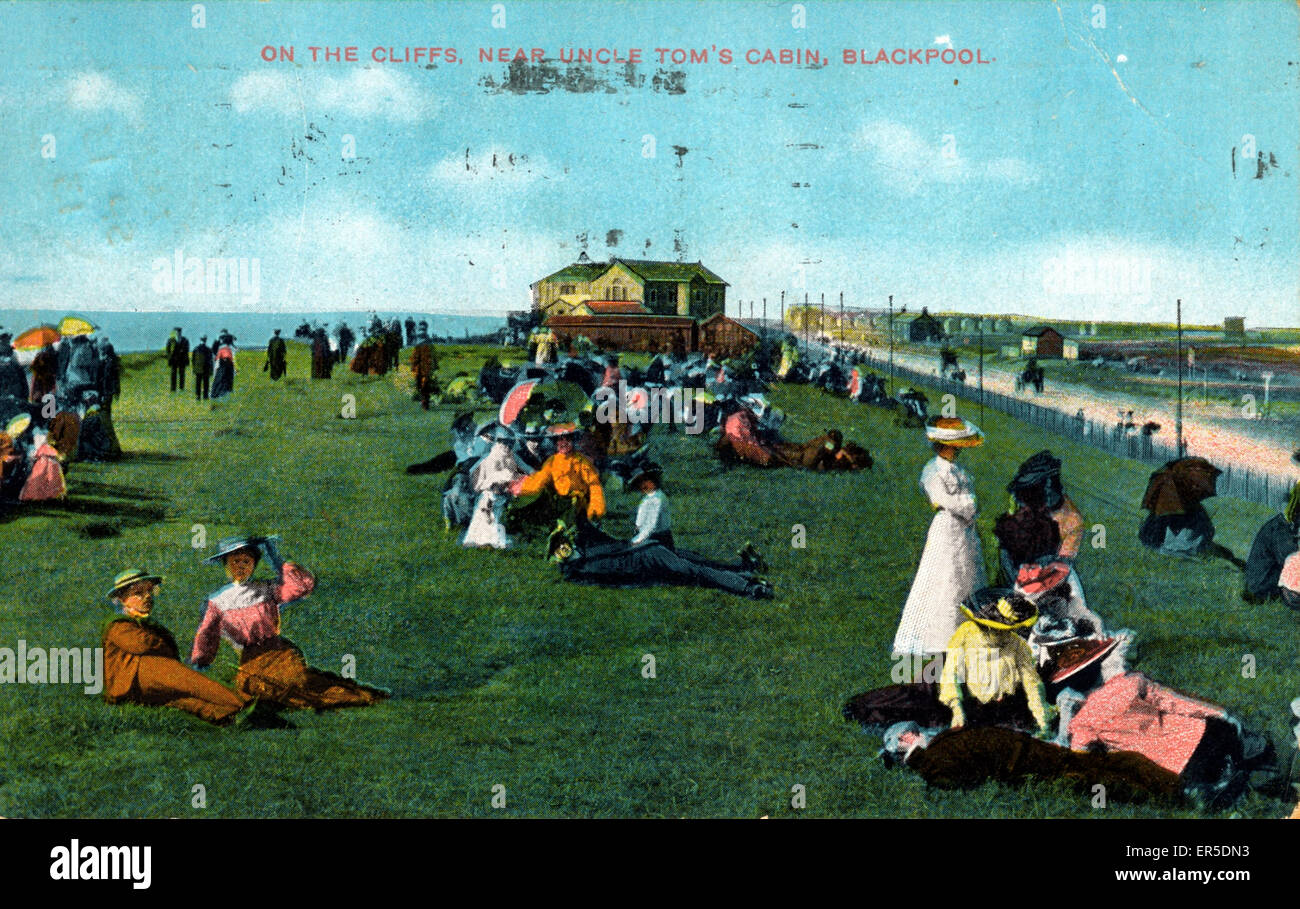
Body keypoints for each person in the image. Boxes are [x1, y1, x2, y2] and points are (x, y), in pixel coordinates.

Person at [190, 536, 389, 710]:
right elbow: (208, 632)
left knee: (298, 685)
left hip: (279, 653)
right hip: (250, 660)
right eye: (235, 561)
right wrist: (201, 660)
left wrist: (273, 555)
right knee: (264, 691)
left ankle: (354, 694)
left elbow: (300, 587)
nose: (240, 566)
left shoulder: (266, 589)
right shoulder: (217, 600)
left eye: (246, 561)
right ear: (225, 565)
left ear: (253, 564)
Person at [101, 569, 250, 725]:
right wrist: (162, 646)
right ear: (123, 599)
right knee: (191, 682)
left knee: (182, 699)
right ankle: (241, 704)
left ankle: (226, 716)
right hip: (132, 682)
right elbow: (142, 645)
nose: (147, 597)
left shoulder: (142, 623)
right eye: (138, 593)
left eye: (150, 591)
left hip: (139, 684)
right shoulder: (117, 624)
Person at [891, 417, 987, 657]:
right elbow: (942, 500)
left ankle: (968, 630)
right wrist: (968, 504)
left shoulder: (959, 471)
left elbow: (969, 496)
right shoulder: (933, 470)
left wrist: (969, 504)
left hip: (965, 529)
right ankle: (941, 636)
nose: (957, 451)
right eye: (954, 447)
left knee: (967, 574)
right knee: (946, 576)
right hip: (947, 526)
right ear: (944, 446)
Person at [548, 520, 773, 599]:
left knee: (695, 561)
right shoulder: (581, 569)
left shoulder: (586, 552)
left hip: (648, 550)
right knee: (693, 570)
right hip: (647, 560)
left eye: (563, 542)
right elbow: (614, 574)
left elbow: (606, 540)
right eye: (560, 548)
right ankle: (748, 587)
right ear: (558, 557)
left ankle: (745, 569)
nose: (565, 547)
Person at [509, 423, 606, 537]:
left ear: (572, 442)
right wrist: (521, 488)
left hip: (577, 503)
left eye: (567, 440)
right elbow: (539, 480)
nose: (563, 443)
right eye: (559, 441)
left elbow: (594, 485)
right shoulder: (552, 461)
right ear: (555, 443)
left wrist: (596, 507)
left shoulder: (581, 462)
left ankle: (565, 528)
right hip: (558, 501)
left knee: (573, 520)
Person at [462, 424, 527, 549]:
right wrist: (496, 482)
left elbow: (522, 470)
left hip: (503, 496)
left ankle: (495, 540)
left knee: (497, 518)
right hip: (489, 494)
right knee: (484, 517)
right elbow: (480, 480)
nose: (507, 446)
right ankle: (482, 540)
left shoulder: (511, 458)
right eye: (504, 443)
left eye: (509, 444)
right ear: (498, 443)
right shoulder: (490, 459)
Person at [1243, 480, 1300, 602]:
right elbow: (1290, 561)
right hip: (1262, 587)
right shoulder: (1281, 529)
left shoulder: (1286, 526)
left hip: (1267, 581)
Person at [18, 428, 65, 502]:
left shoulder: (44, 447)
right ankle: (47, 495)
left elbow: (36, 455)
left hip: (44, 464)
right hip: (47, 464)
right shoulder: (47, 448)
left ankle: (43, 495)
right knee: (45, 478)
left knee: (43, 478)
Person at [95, 336, 120, 417]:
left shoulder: (105, 363)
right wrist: (117, 390)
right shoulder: (112, 363)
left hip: (104, 388)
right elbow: (116, 378)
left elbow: (100, 377)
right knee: (106, 407)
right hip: (107, 389)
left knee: (103, 407)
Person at [165, 327, 190, 392]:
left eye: (179, 332)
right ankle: (173, 388)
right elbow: (168, 350)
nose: (178, 333)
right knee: (173, 375)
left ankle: (181, 388)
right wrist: (170, 358)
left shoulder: (185, 340)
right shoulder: (170, 340)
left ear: (180, 332)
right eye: (177, 332)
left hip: (182, 360)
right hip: (174, 360)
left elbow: (187, 350)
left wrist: (185, 358)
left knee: (182, 374)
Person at [191, 336, 213, 401]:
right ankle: (205, 396)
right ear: (205, 341)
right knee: (206, 384)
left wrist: (194, 368)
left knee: (198, 383)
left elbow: (193, 360)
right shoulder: (208, 349)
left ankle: (198, 397)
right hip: (206, 369)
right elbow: (210, 361)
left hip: (198, 369)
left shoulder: (196, 349)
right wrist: (211, 370)